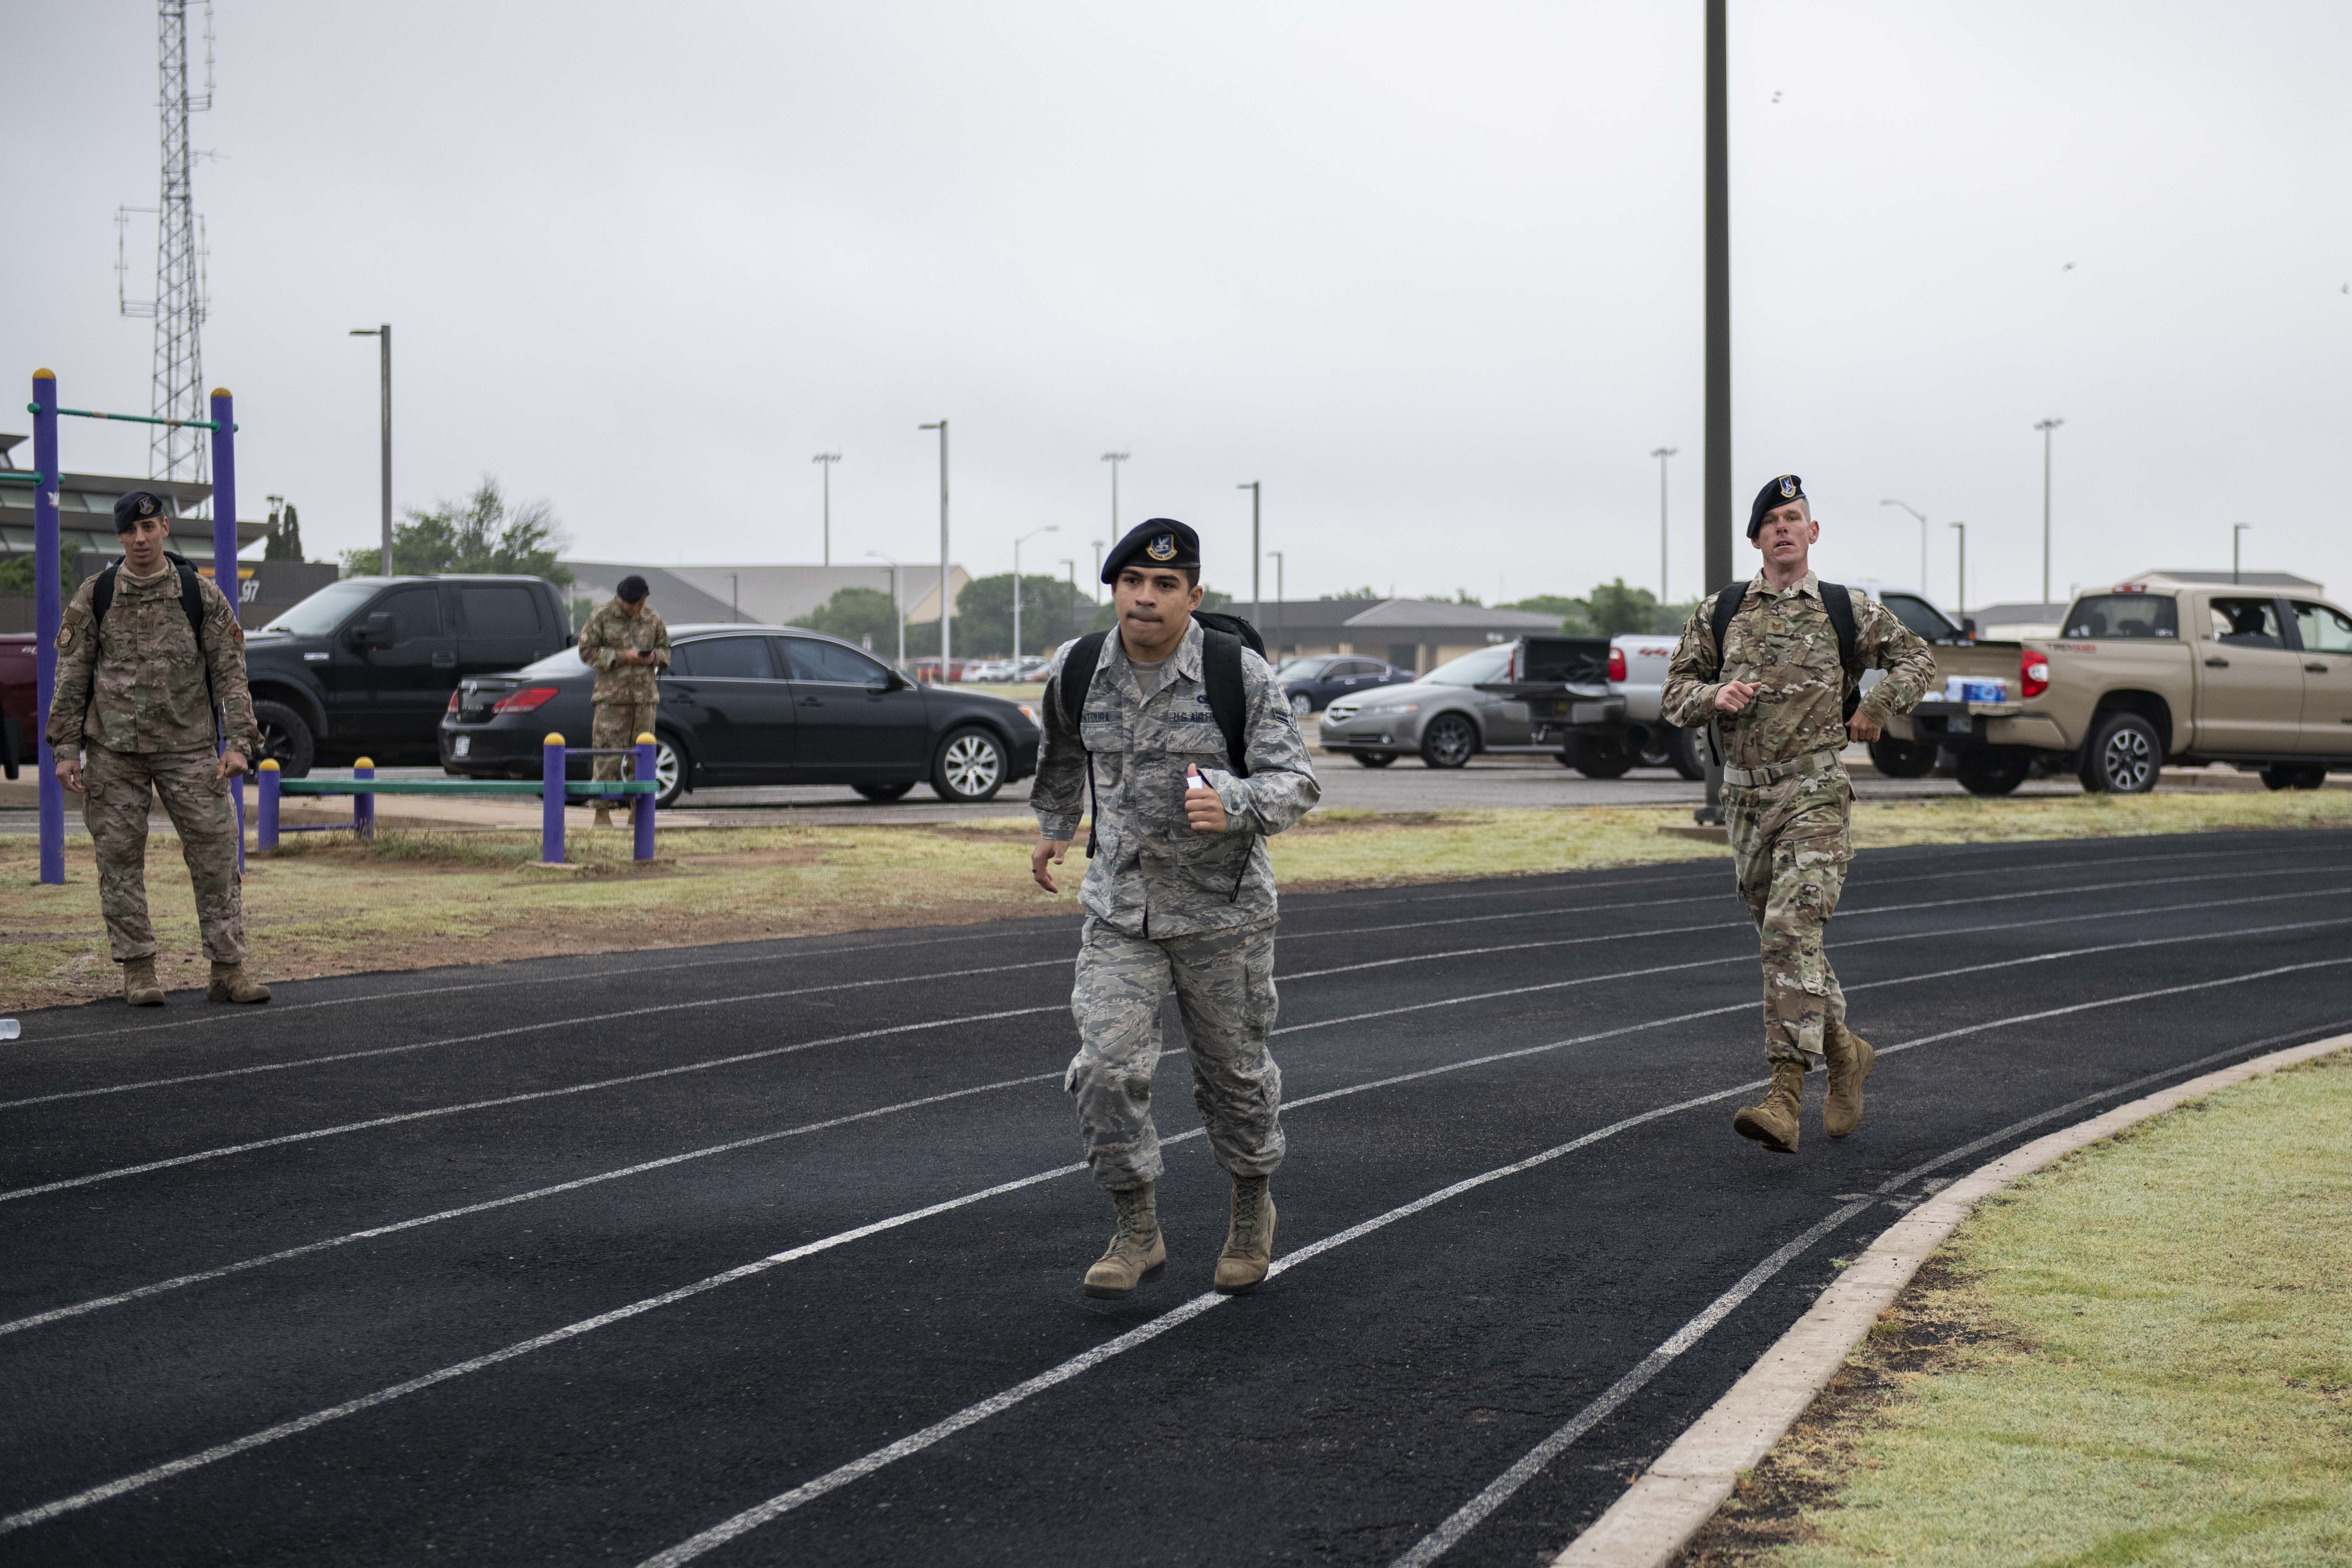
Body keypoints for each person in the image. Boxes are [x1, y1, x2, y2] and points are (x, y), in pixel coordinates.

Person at [1030, 518, 1321, 1299]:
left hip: (1222, 917)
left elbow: (1297, 783)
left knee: (1234, 1077)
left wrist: (1233, 801)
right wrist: (1055, 828)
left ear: (1194, 596)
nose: (1147, 599)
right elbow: (1062, 749)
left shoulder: (1240, 675)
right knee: (1103, 1068)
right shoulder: (1078, 667)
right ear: (1115, 591)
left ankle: (1251, 1208)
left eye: (1165, 586)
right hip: (1121, 911)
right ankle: (1137, 1227)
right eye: (1133, 583)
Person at [1660, 475, 1935, 1152]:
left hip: (1814, 791)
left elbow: (1919, 659)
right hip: (1744, 797)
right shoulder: (1720, 611)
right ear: (1755, 538)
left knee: (1788, 928)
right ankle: (1846, 1056)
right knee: (1790, 945)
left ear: (1813, 533)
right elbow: (1673, 692)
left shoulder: (1847, 609)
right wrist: (1712, 697)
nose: (1783, 528)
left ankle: (1784, 1095)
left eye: (1795, 518)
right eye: (1771, 521)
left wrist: (1876, 706)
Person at [48, 491, 269, 1005]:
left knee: (216, 854)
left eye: (150, 529)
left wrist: (238, 742)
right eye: (131, 531)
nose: (141, 539)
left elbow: (231, 671)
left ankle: (228, 968)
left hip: (189, 749)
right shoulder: (96, 594)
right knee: (120, 862)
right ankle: (139, 971)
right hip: (114, 752)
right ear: (120, 537)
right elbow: (72, 675)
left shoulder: (199, 593)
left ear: (165, 529)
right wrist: (66, 748)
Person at [575, 575, 670, 826]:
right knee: (607, 755)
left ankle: (638, 813)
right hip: (612, 700)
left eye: (638, 603)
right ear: (620, 599)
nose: (633, 608)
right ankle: (601, 813)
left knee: (643, 757)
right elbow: (586, 652)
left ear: (644, 600)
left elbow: (666, 650)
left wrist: (654, 658)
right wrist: (622, 656)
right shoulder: (601, 616)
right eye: (629, 604)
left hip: (644, 700)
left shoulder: (653, 618)